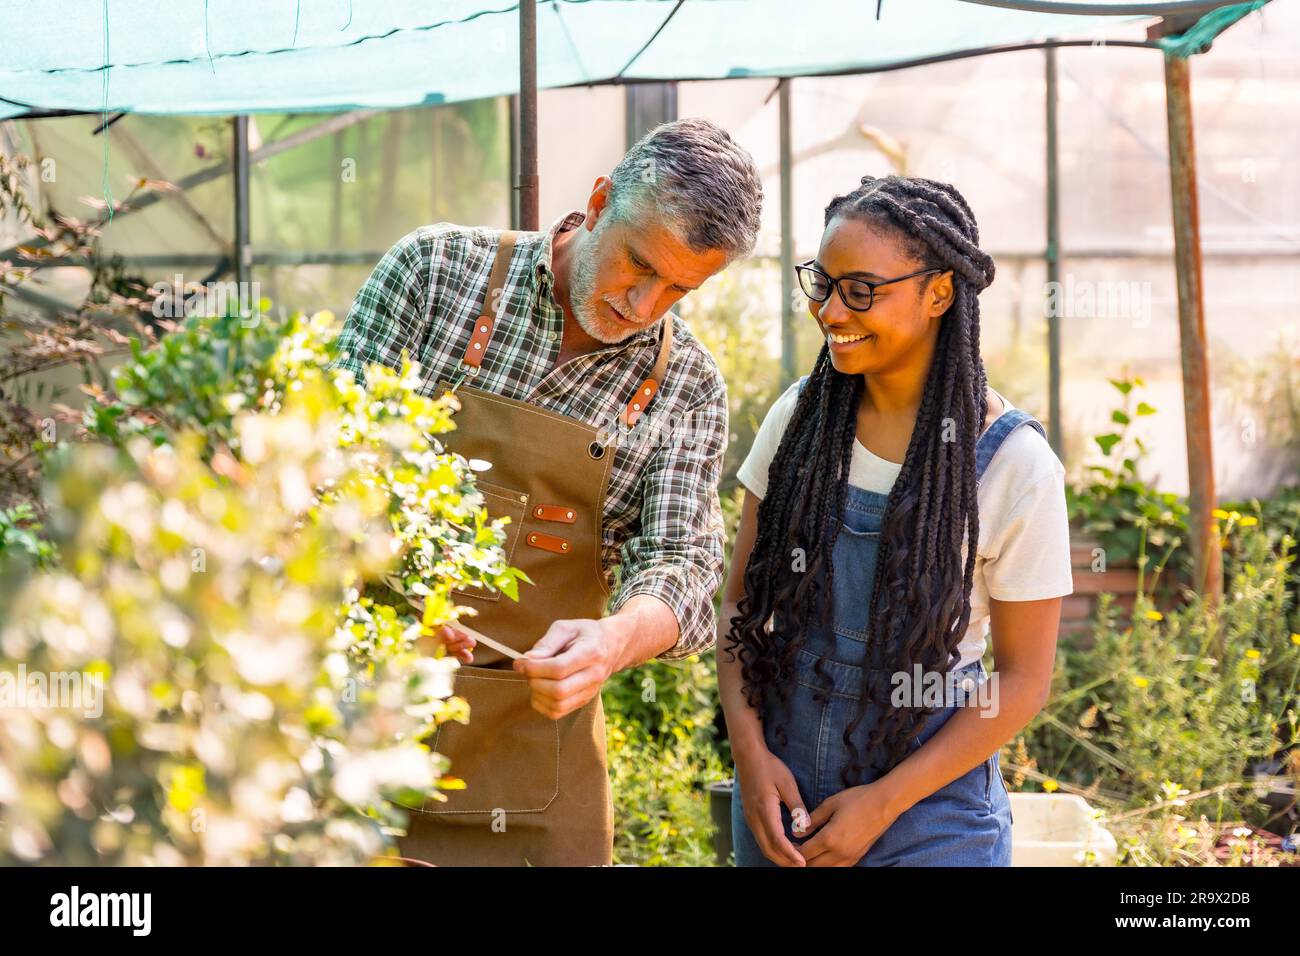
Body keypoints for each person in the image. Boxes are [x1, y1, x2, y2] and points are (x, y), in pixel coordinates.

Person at [330, 118, 762, 865]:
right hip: (362, 722)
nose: (644, 305)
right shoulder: (434, 274)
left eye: (680, 289)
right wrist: (393, 586)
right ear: (597, 202)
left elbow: (686, 571)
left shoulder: (685, 386)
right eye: (637, 264)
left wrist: (613, 640)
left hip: (533, 766)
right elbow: (324, 463)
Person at [718, 174, 1072, 867]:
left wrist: (885, 802)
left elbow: (1023, 679)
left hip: (929, 814)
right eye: (823, 283)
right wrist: (750, 758)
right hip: (778, 797)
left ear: (938, 293)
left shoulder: (1015, 466)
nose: (830, 311)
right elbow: (739, 604)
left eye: (861, 290)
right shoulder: (800, 421)